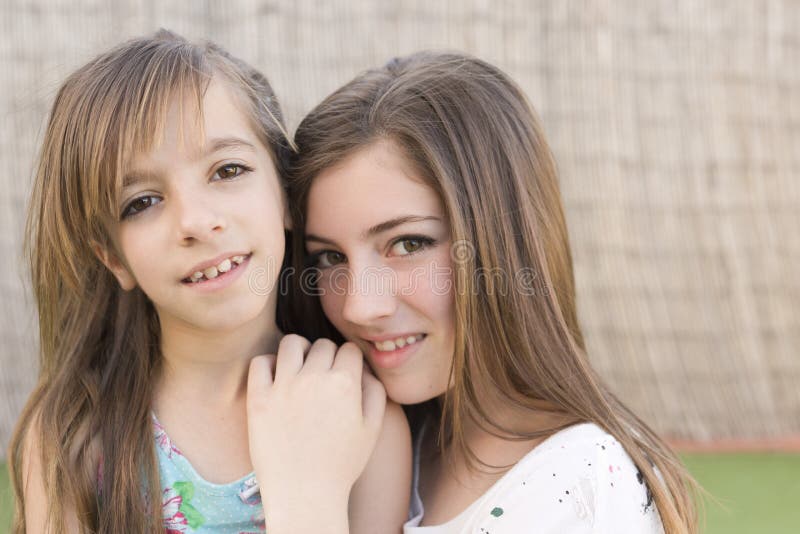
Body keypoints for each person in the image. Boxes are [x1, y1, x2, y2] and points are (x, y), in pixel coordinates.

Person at [8, 30, 410, 534]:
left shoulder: (357, 412)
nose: (196, 221)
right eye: (143, 202)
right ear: (114, 258)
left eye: (228, 169)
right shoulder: (76, 433)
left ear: (285, 193)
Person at [286, 51, 698, 533]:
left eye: (408, 244)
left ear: (505, 241)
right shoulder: (370, 439)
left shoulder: (581, 486)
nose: (359, 306)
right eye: (330, 258)